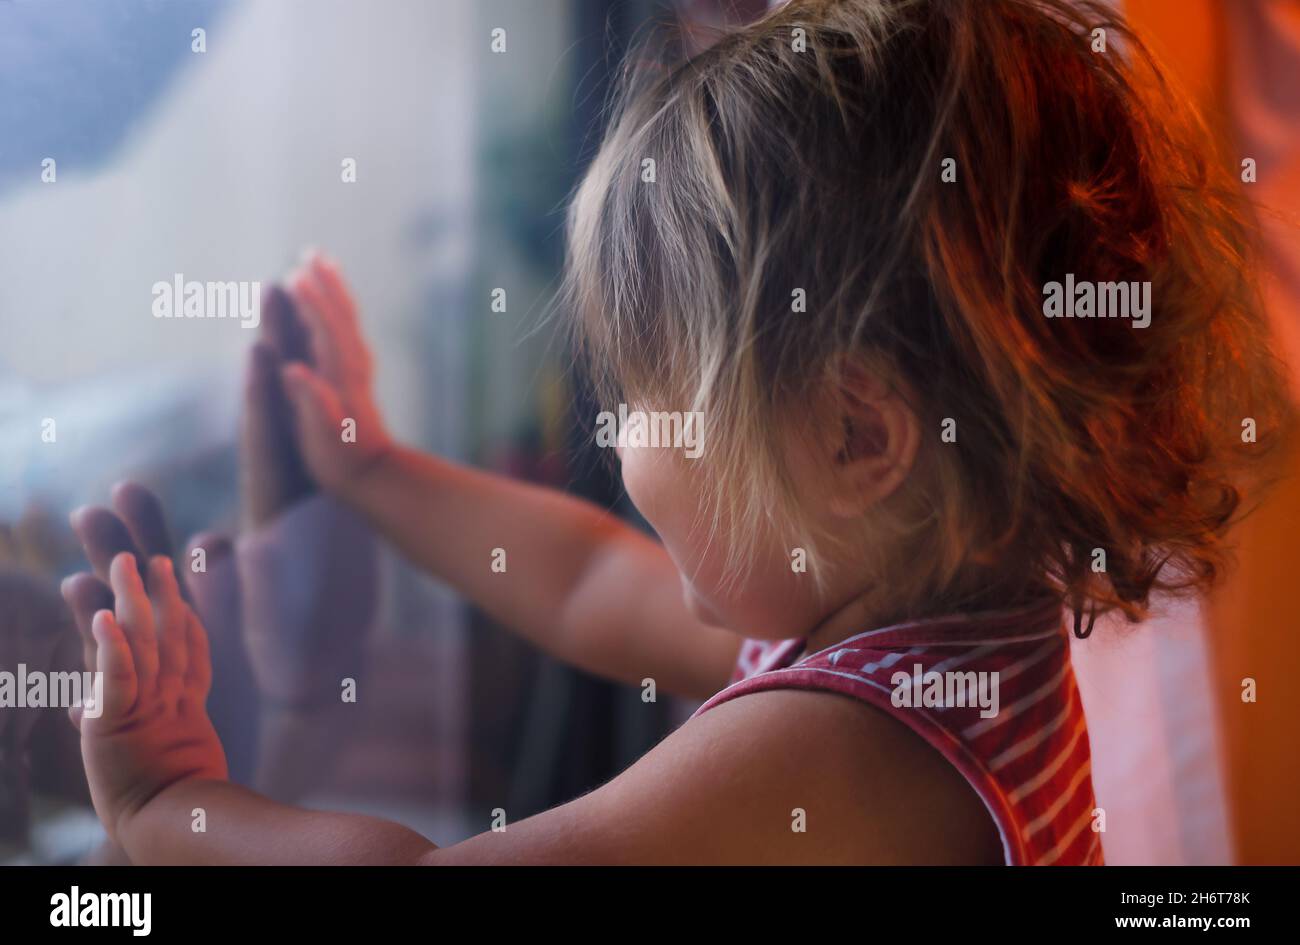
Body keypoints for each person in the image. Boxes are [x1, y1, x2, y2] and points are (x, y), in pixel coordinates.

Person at [63, 0, 1288, 864]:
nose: (616, 426)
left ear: (857, 436)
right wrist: (370, 463)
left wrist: (173, 804)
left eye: (650, 392)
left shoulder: (844, 751)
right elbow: (594, 580)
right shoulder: (932, 616)